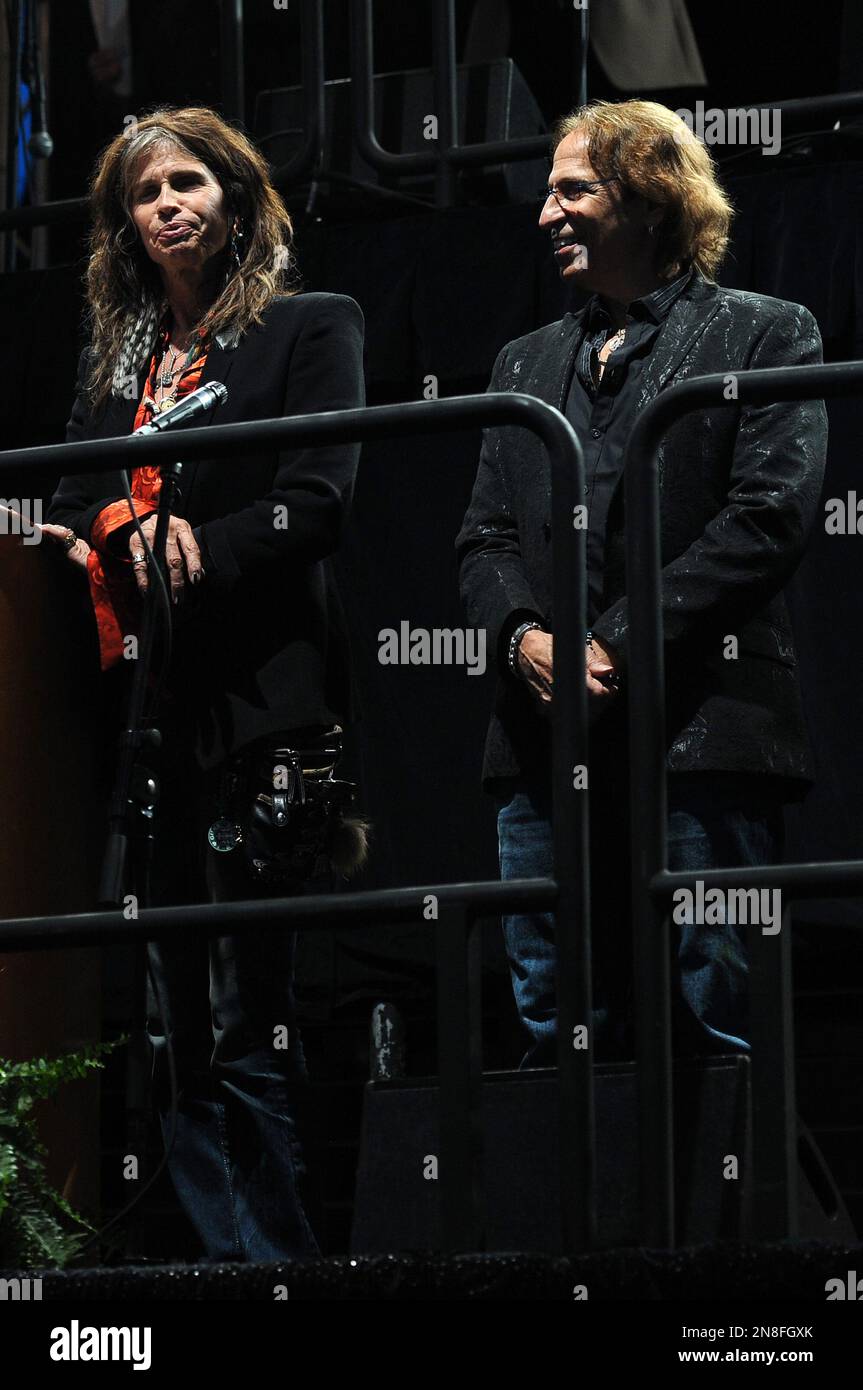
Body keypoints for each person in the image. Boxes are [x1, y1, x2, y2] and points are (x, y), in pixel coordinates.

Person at [45, 106, 366, 1259]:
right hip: (142, 717)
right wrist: (126, 516)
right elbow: (71, 488)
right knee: (175, 1021)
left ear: (234, 197)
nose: (168, 204)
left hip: (262, 702)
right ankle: (216, 1265)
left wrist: (200, 541)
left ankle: (281, 1268)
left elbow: (320, 495)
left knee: (247, 1016)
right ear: (123, 226)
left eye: (188, 183)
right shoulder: (120, 360)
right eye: (145, 193)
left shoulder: (310, 325)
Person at [456, 99, 828, 1068]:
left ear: (652, 198)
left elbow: (767, 517)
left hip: (699, 727)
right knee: (555, 1019)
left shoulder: (765, 333)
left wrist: (611, 638)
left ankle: (732, 1221)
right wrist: (523, 639)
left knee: (714, 1012)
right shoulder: (521, 361)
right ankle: (575, 1225)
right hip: (543, 734)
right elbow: (481, 540)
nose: (545, 213)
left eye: (571, 188)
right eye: (545, 192)